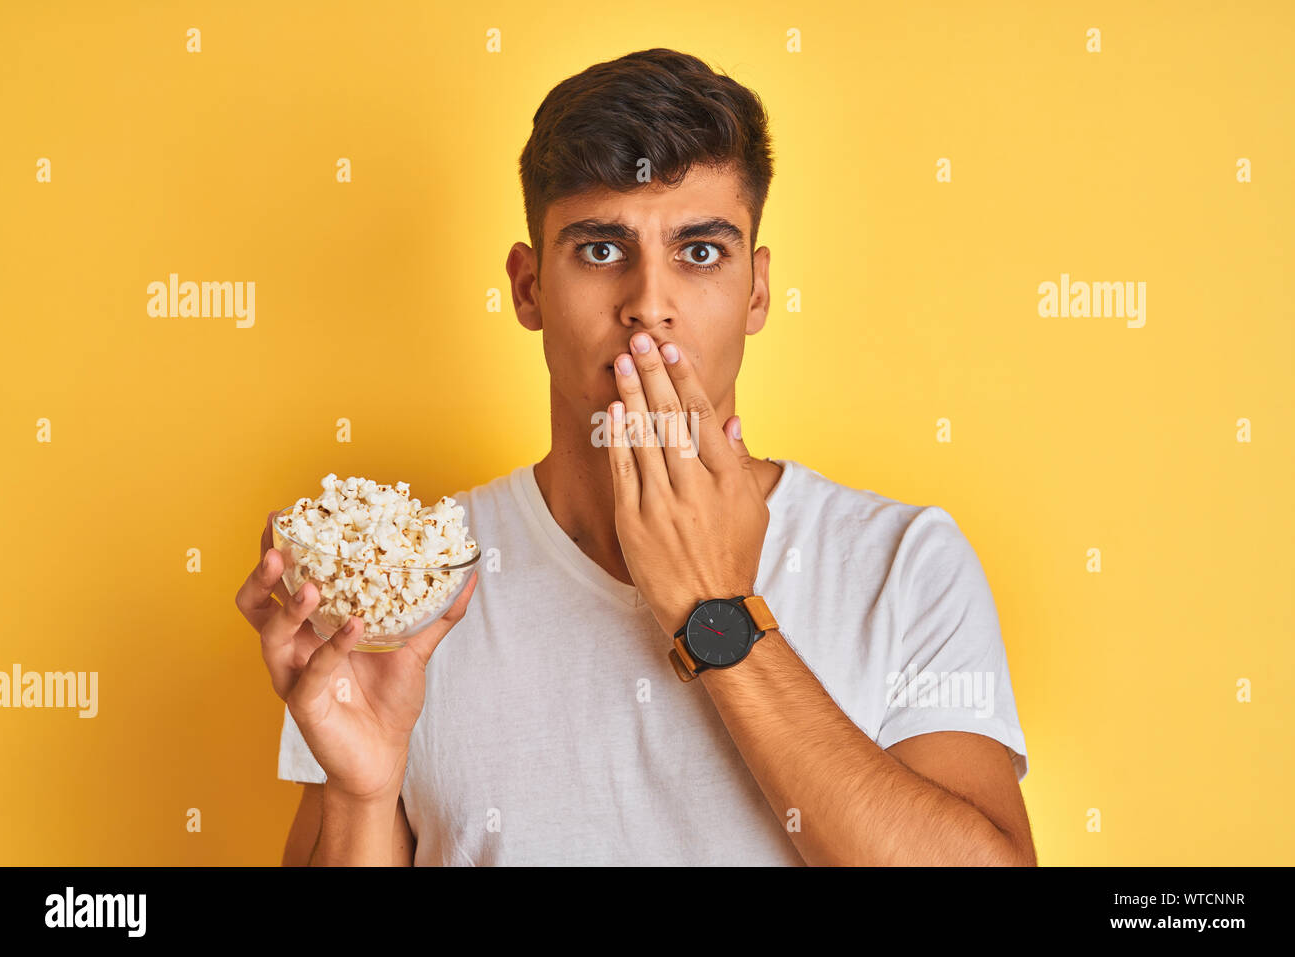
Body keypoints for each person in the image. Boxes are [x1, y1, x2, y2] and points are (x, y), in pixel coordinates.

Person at [235, 48, 1034, 866]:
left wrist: (713, 609)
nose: (650, 304)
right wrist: (361, 794)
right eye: (602, 250)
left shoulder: (903, 565)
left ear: (757, 292)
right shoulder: (410, 585)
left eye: (699, 252)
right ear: (529, 288)